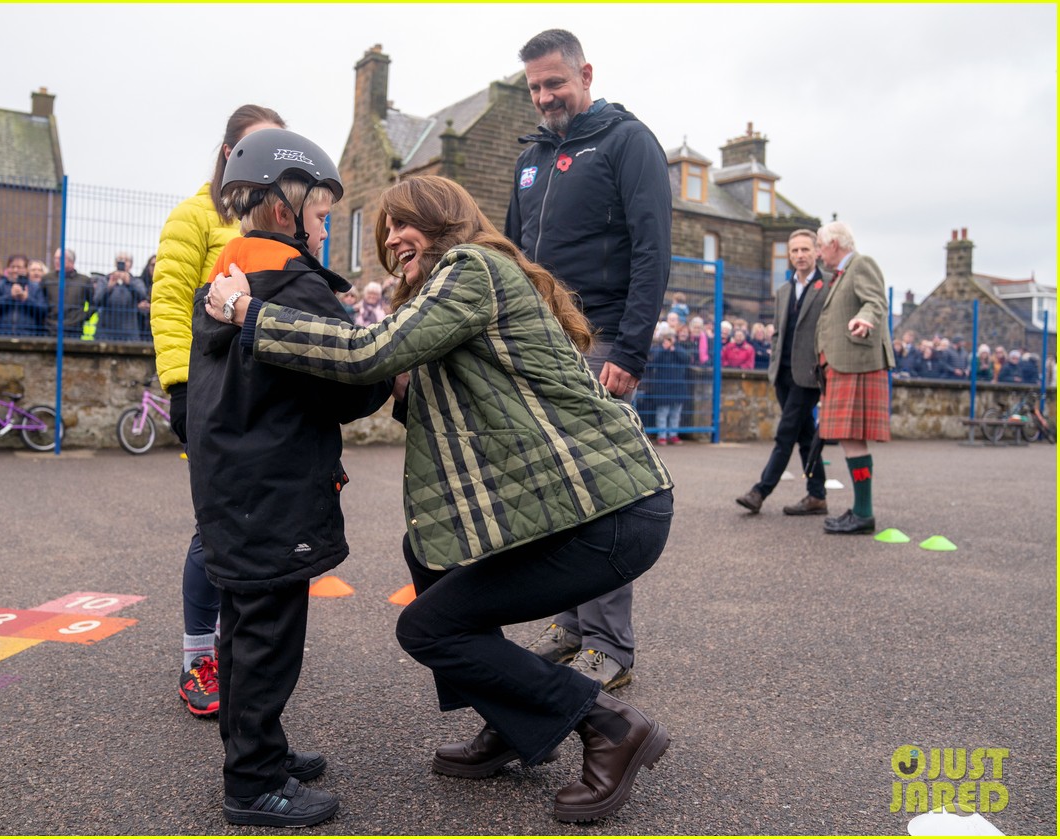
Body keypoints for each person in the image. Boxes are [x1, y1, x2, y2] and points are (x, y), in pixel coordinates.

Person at [206, 174, 675, 825]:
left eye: (403, 223)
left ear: (445, 217)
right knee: (424, 550)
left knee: (427, 625)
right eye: (385, 231)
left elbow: (368, 352)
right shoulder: (450, 293)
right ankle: (511, 719)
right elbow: (430, 397)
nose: (393, 238)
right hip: (588, 506)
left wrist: (248, 312)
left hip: (611, 512)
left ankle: (607, 723)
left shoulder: (470, 266)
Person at [188, 128, 393, 828]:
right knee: (271, 638)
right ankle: (252, 784)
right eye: (322, 213)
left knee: (242, 625)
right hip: (277, 488)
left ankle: (257, 749)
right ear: (284, 207)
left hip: (233, 486)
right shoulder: (297, 283)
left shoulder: (228, 276)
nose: (326, 225)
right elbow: (345, 381)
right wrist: (388, 367)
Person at [503, 28, 672, 692]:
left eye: (555, 83)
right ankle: (571, 622)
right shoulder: (533, 157)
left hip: (601, 341)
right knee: (554, 491)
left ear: (586, 74)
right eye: (535, 88)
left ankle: (610, 643)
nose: (545, 97)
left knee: (601, 493)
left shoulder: (629, 143)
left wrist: (629, 348)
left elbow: (653, 251)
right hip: (540, 344)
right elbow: (513, 257)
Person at [150, 103, 285, 718]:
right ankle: (197, 659)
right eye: (253, 147)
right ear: (228, 152)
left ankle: (234, 659)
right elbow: (172, 305)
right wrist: (181, 388)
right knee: (214, 530)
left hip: (264, 395)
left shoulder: (282, 218)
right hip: (209, 392)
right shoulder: (195, 216)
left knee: (254, 526)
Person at [736, 229, 829, 517]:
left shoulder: (827, 285)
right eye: (794, 251)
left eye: (805, 250)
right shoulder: (784, 290)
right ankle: (817, 496)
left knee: (785, 433)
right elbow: (778, 332)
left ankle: (759, 491)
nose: (799, 255)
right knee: (804, 435)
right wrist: (774, 363)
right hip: (783, 374)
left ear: (816, 251)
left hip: (808, 375)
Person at [814, 220, 895, 534]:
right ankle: (861, 510)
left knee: (852, 437)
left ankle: (864, 513)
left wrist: (864, 318)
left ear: (834, 244)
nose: (820, 254)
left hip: (856, 364)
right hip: (841, 365)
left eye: (821, 246)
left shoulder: (861, 264)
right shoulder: (841, 274)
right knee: (850, 438)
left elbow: (876, 301)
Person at [40, 248, 96, 338]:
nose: (56, 261)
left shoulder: (84, 280)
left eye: (60, 258)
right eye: (55, 258)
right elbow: (40, 301)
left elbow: (94, 303)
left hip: (74, 330)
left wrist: (81, 318)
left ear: (71, 261)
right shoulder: (47, 279)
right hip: (50, 329)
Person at [93, 252, 147, 341]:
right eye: (120, 259)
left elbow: (143, 296)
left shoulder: (136, 281)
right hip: (105, 332)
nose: (123, 262)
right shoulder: (104, 280)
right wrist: (109, 288)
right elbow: (97, 300)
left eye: (126, 260)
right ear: (115, 263)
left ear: (131, 264)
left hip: (129, 333)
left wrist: (129, 284)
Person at [0, 253, 46, 336]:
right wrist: (10, 297)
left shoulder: (35, 288)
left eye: (19, 267)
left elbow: (43, 310)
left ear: (26, 270)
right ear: (8, 269)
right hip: (2, 334)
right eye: (12, 267)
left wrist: (26, 299)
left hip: (28, 335)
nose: (15, 270)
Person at [650, 332, 690, 445]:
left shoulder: (679, 349)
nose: (670, 341)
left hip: (678, 385)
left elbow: (686, 359)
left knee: (676, 412)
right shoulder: (658, 349)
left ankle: (673, 435)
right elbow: (653, 361)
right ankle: (662, 435)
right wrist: (664, 349)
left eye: (671, 339)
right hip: (662, 386)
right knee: (663, 412)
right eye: (667, 339)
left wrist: (674, 349)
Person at [138, 254, 156, 342]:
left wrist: (152, 307)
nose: (155, 268)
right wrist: (138, 306)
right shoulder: (139, 282)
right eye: (152, 265)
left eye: (157, 265)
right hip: (140, 326)